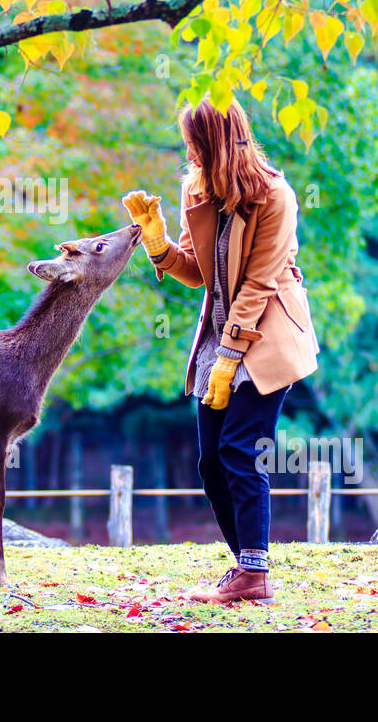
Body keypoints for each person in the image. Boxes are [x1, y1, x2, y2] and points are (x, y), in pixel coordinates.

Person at [123, 97, 320, 604]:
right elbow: (198, 273)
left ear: (216, 143)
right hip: (220, 333)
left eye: (195, 145)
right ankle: (246, 571)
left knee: (240, 449)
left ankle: (254, 574)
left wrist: (231, 357)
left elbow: (256, 286)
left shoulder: (275, 196)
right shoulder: (198, 187)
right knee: (211, 461)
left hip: (266, 335)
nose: (189, 155)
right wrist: (159, 246)